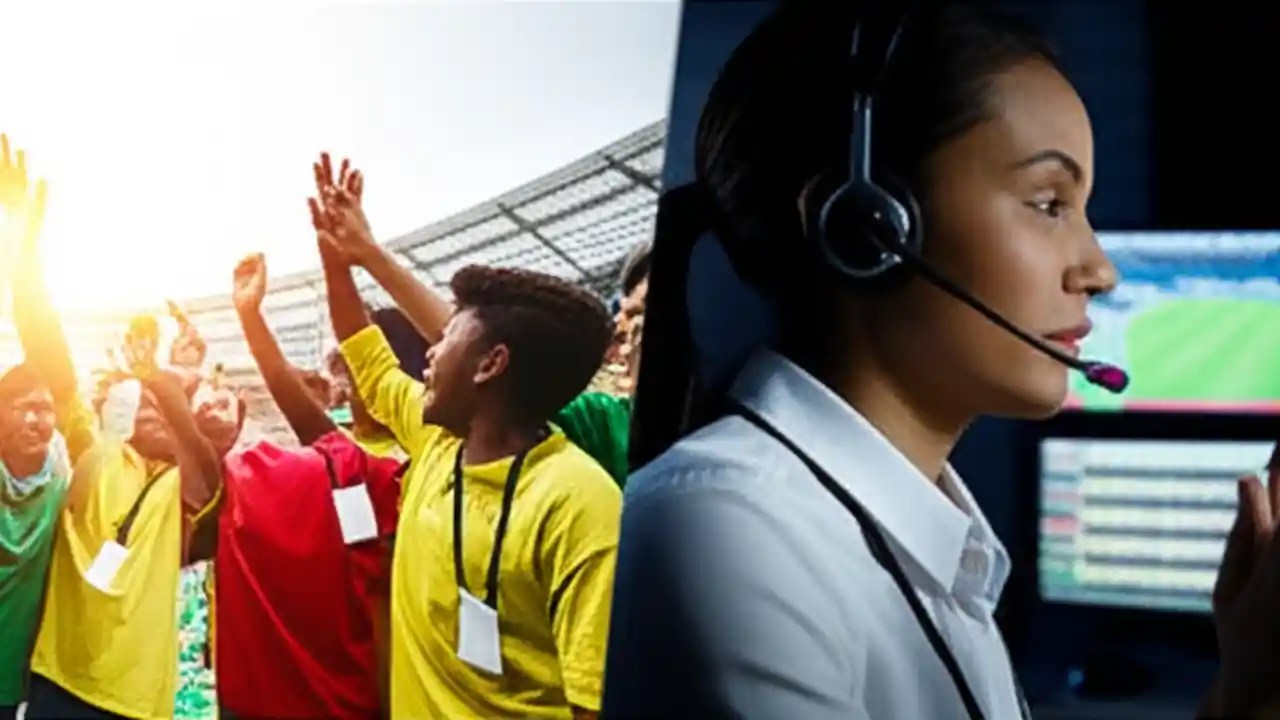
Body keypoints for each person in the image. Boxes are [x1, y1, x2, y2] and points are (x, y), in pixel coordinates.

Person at [602, 4, 1280, 719]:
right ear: (869, 223)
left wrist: (1246, 688)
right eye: (1049, 203)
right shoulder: (727, 538)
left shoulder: (924, 542)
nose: (1100, 269)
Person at [312, 154, 621, 720]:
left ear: (490, 364)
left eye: (448, 336)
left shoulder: (582, 506)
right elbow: (369, 359)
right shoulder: (437, 443)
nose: (428, 351)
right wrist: (340, 262)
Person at [5, 138, 223, 720]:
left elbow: (205, 466)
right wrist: (24, 245)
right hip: (58, 677)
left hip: (135, 701)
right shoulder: (95, 449)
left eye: (166, 397)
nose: (152, 402)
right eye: (143, 395)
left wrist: (167, 380)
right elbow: (44, 340)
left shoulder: (192, 482)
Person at [206, 251, 401, 719]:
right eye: (346, 367)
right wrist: (251, 319)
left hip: (355, 697)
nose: (346, 380)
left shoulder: (413, 464)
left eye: (362, 364)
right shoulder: (345, 456)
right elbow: (296, 404)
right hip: (272, 692)